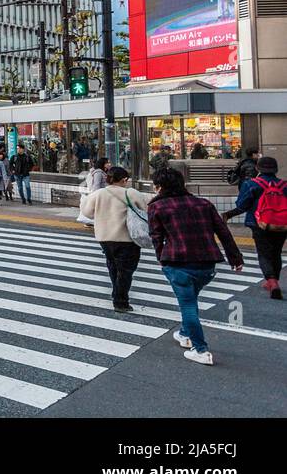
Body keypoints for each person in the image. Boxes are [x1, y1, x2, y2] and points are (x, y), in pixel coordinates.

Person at [148, 167, 244, 365]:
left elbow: (156, 238)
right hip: (207, 264)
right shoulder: (203, 204)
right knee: (191, 298)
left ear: (159, 187)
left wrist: (161, 259)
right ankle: (184, 333)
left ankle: (200, 349)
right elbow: (223, 232)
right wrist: (235, 258)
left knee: (188, 305)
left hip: (177, 262)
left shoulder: (158, 207)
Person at [81, 167, 153, 313]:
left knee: (113, 267)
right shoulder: (131, 193)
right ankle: (121, 302)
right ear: (124, 179)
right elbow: (146, 209)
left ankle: (116, 293)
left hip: (105, 238)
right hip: (126, 239)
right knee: (125, 271)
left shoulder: (98, 194)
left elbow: (87, 213)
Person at [222, 156, 285, 300]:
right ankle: (274, 279)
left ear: (257, 168)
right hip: (281, 225)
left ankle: (271, 281)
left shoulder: (251, 184)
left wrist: (228, 215)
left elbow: (241, 205)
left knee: (264, 253)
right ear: (275, 169)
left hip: (258, 224)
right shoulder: (284, 185)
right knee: (276, 253)